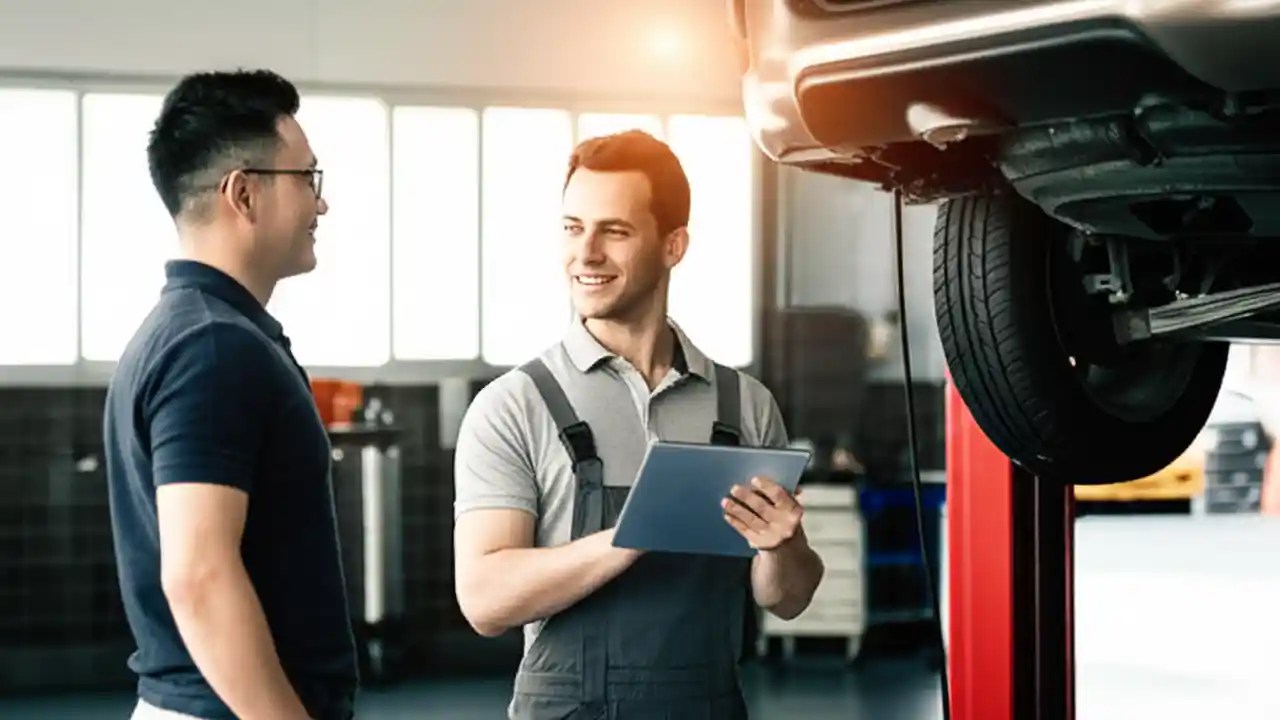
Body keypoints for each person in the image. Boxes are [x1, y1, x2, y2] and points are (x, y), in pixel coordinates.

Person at [453, 129, 825, 719]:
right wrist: (632, 536)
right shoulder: (515, 405)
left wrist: (785, 547)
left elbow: (788, 600)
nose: (586, 254)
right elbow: (484, 600)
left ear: (673, 245)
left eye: (615, 231)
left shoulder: (744, 406)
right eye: (573, 227)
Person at [103, 69, 357, 720]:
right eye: (309, 179)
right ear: (243, 194)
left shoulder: (192, 330)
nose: (321, 204)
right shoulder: (213, 348)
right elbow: (199, 576)